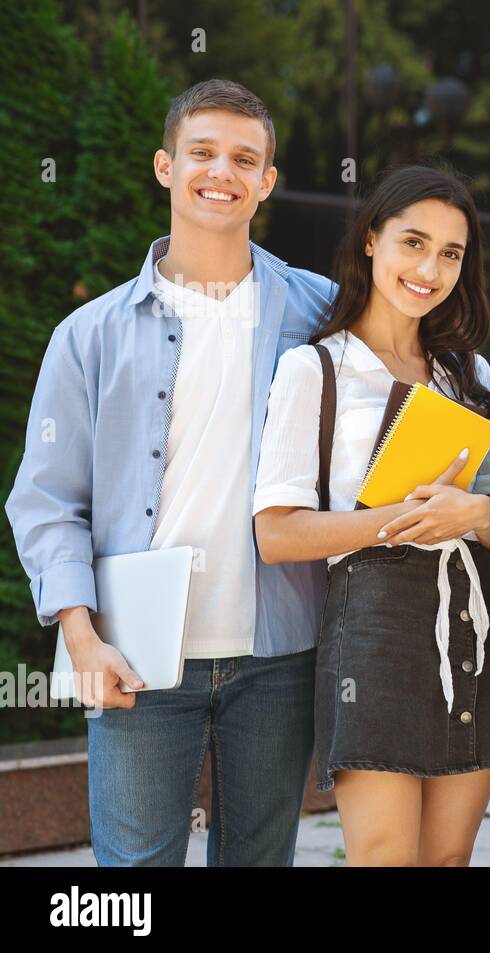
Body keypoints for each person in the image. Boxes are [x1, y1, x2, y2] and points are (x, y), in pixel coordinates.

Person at [5, 79, 332, 865]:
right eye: (203, 153)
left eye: (244, 158)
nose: (222, 171)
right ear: (165, 165)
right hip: (134, 655)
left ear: (266, 181)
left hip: (279, 655)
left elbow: (414, 375)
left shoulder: (320, 311)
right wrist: (80, 639)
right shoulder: (88, 334)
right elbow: (47, 501)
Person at [253, 165, 490, 866]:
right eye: (413, 243)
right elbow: (276, 532)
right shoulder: (315, 371)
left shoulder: (469, 373)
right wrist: (397, 520)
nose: (429, 268)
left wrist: (473, 515)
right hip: (369, 644)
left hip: (470, 630)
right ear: (371, 241)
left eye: (451, 254)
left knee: (447, 861)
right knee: (385, 859)